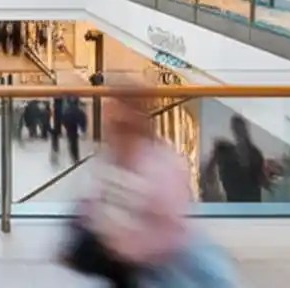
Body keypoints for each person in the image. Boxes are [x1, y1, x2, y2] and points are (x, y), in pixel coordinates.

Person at [62, 87, 191, 287]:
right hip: (122, 261)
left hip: (149, 266)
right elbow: (98, 200)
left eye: (118, 124)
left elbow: (172, 229)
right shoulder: (114, 158)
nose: (110, 129)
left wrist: (128, 245)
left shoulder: (159, 167)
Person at [214, 115, 268, 203]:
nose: (239, 132)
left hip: (251, 203)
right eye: (236, 129)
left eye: (240, 128)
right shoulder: (227, 154)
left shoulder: (254, 153)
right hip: (235, 203)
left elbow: (261, 178)